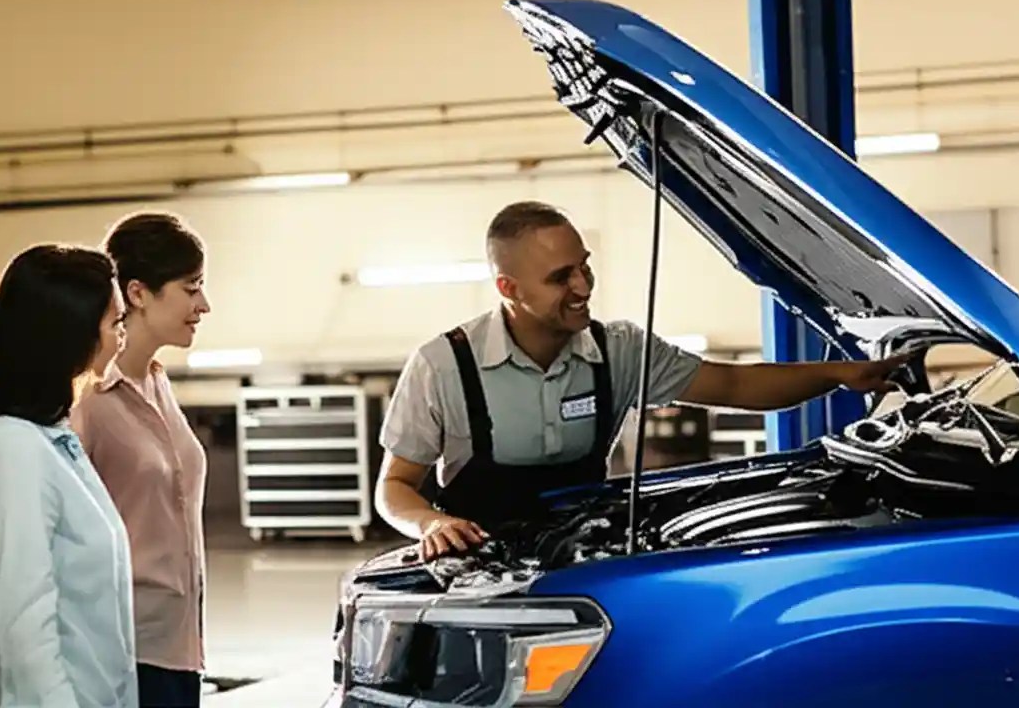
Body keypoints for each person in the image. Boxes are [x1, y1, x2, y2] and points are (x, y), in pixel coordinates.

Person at [376, 200, 909, 561]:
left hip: (580, 553)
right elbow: (394, 488)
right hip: (483, 566)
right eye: (561, 277)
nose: (583, 285)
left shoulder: (619, 350)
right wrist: (429, 525)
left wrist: (842, 374)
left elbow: (735, 387)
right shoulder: (444, 365)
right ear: (508, 287)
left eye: (584, 266)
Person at [0, 244, 136, 707]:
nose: (122, 337)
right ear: (69, 335)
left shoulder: (47, 436)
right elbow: (26, 631)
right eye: (115, 323)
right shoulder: (10, 450)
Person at [71, 210, 212, 708]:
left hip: (180, 642)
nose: (204, 305)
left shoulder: (159, 383)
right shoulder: (86, 401)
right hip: (121, 649)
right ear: (137, 293)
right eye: (191, 288)